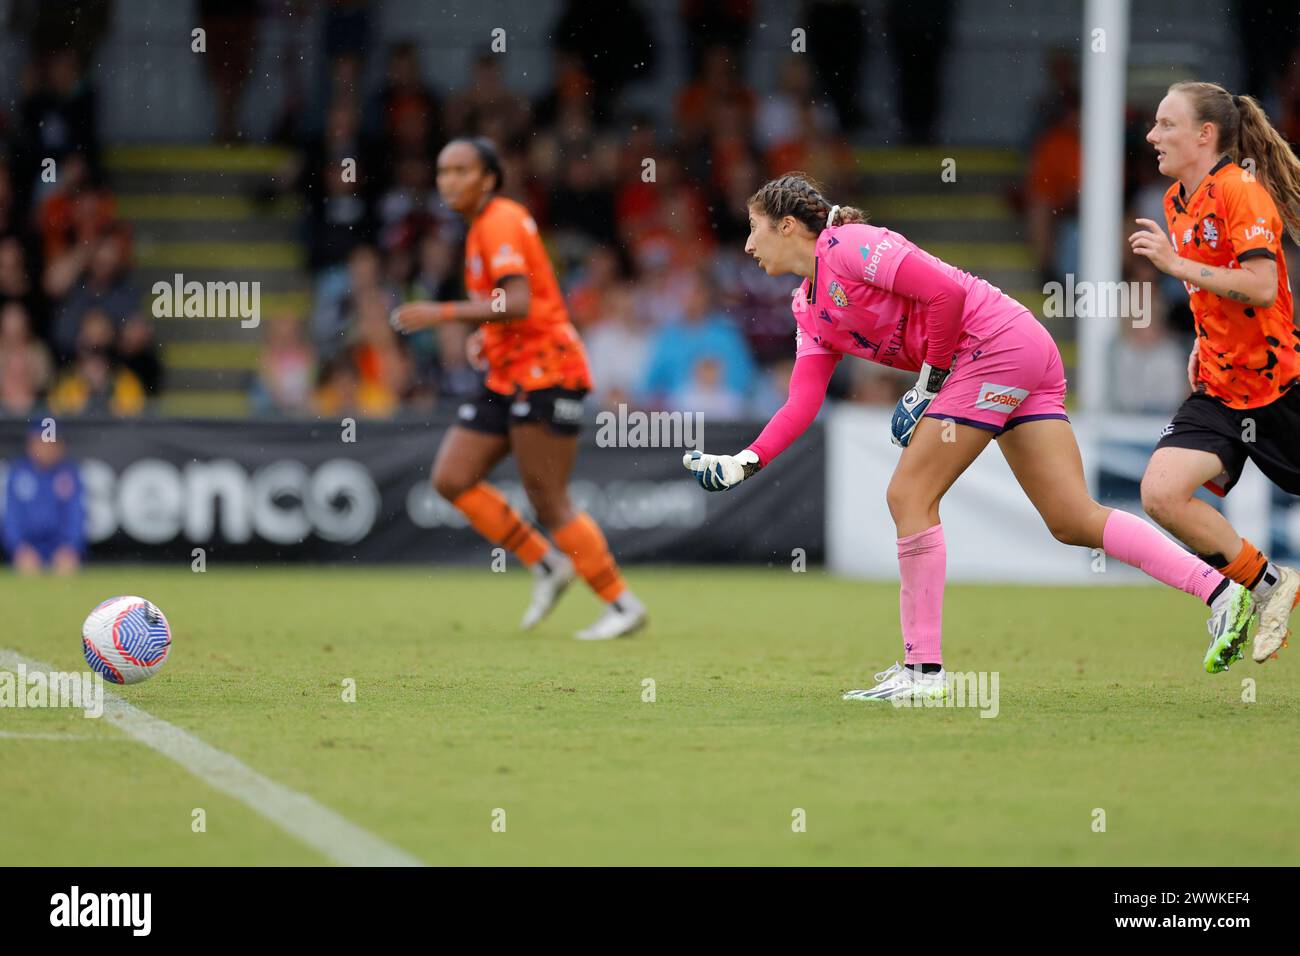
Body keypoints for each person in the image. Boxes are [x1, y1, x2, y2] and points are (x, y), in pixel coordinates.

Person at [683, 173, 1257, 702]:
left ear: (788, 226)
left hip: (996, 347)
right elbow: (802, 402)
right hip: (1014, 353)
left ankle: (923, 672)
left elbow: (946, 295)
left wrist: (928, 384)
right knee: (1073, 519)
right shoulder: (807, 307)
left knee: (908, 496)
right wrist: (746, 460)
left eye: (755, 229)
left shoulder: (851, 245)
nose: (749, 246)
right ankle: (1221, 591)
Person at [391, 138, 645, 640]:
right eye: (443, 171)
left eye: (462, 170)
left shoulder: (501, 220)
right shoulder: (481, 228)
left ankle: (622, 605)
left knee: (549, 499)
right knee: (452, 477)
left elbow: (521, 301)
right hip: (509, 374)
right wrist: (486, 338)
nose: (450, 180)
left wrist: (441, 313)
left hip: (548, 371)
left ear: (489, 178)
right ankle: (547, 564)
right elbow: (507, 308)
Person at [1131, 81, 1300, 666]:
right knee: (1160, 492)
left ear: (1205, 135)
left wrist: (1177, 264)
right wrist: (1203, 341)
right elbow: (1215, 289)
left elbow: (1258, 285)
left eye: (1165, 124)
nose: (1153, 136)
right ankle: (1271, 585)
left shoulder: (1241, 191)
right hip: (1221, 389)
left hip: (1280, 384)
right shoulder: (1178, 198)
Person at [4, 420, 84, 574]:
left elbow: (76, 516)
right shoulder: (18, 472)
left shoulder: (68, 473)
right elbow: (11, 517)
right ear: (30, 445)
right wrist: (18, 547)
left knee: (66, 570)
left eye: (50, 444)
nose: (45, 449)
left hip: (60, 547)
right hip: (28, 548)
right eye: (40, 443)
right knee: (26, 571)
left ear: (60, 447)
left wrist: (71, 547)